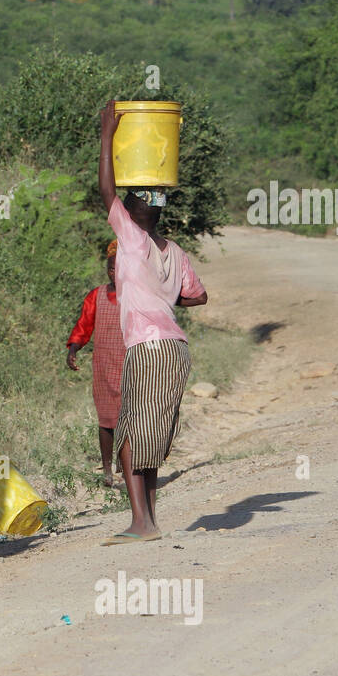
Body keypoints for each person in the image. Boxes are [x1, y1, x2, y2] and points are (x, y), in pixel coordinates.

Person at [98, 100, 208, 545]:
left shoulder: (130, 237)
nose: (120, 205)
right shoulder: (173, 249)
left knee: (128, 429)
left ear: (134, 213)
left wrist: (107, 134)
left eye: (127, 203)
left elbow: (106, 189)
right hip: (176, 347)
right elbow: (198, 296)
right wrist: (164, 295)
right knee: (153, 429)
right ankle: (150, 519)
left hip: (147, 346)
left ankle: (141, 523)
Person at [65, 240, 126, 487]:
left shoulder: (136, 295)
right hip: (103, 365)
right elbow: (84, 326)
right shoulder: (96, 295)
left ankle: (128, 466)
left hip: (130, 363)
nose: (115, 273)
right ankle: (108, 469)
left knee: (129, 417)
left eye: (120, 268)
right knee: (106, 419)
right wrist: (73, 349)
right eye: (111, 268)